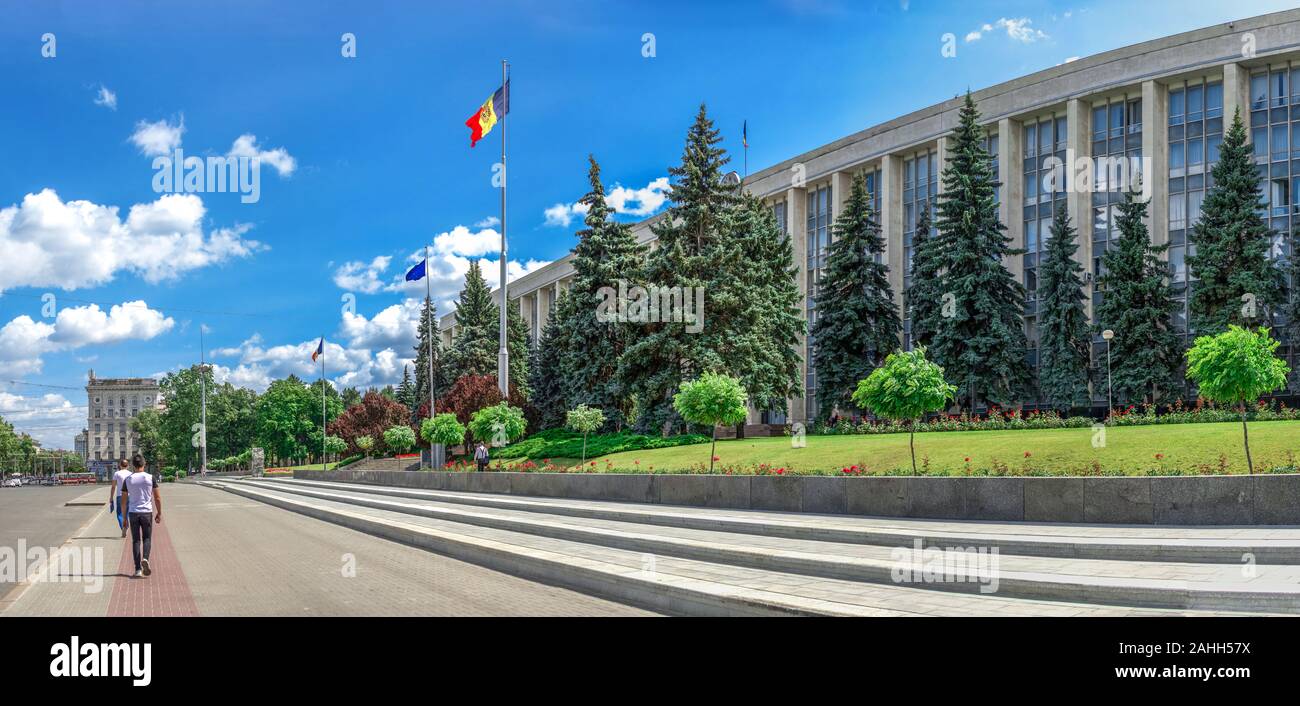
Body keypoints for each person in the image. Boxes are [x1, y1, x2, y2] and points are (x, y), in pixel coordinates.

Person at [119, 454, 162, 578]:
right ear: (144, 464)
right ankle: (145, 559)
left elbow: (123, 501)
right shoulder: (150, 478)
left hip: (133, 513)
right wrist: (159, 513)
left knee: (136, 540)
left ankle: (138, 569)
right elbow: (157, 498)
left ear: (133, 465)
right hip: (146, 513)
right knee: (147, 538)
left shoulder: (128, 480)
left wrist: (124, 518)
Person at [108, 459, 132, 539]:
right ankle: (126, 525)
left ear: (120, 465)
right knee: (127, 513)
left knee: (119, 513)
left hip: (120, 496)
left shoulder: (116, 474)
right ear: (128, 466)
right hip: (129, 495)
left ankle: (123, 527)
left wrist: (111, 497)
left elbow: (113, 486)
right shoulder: (131, 474)